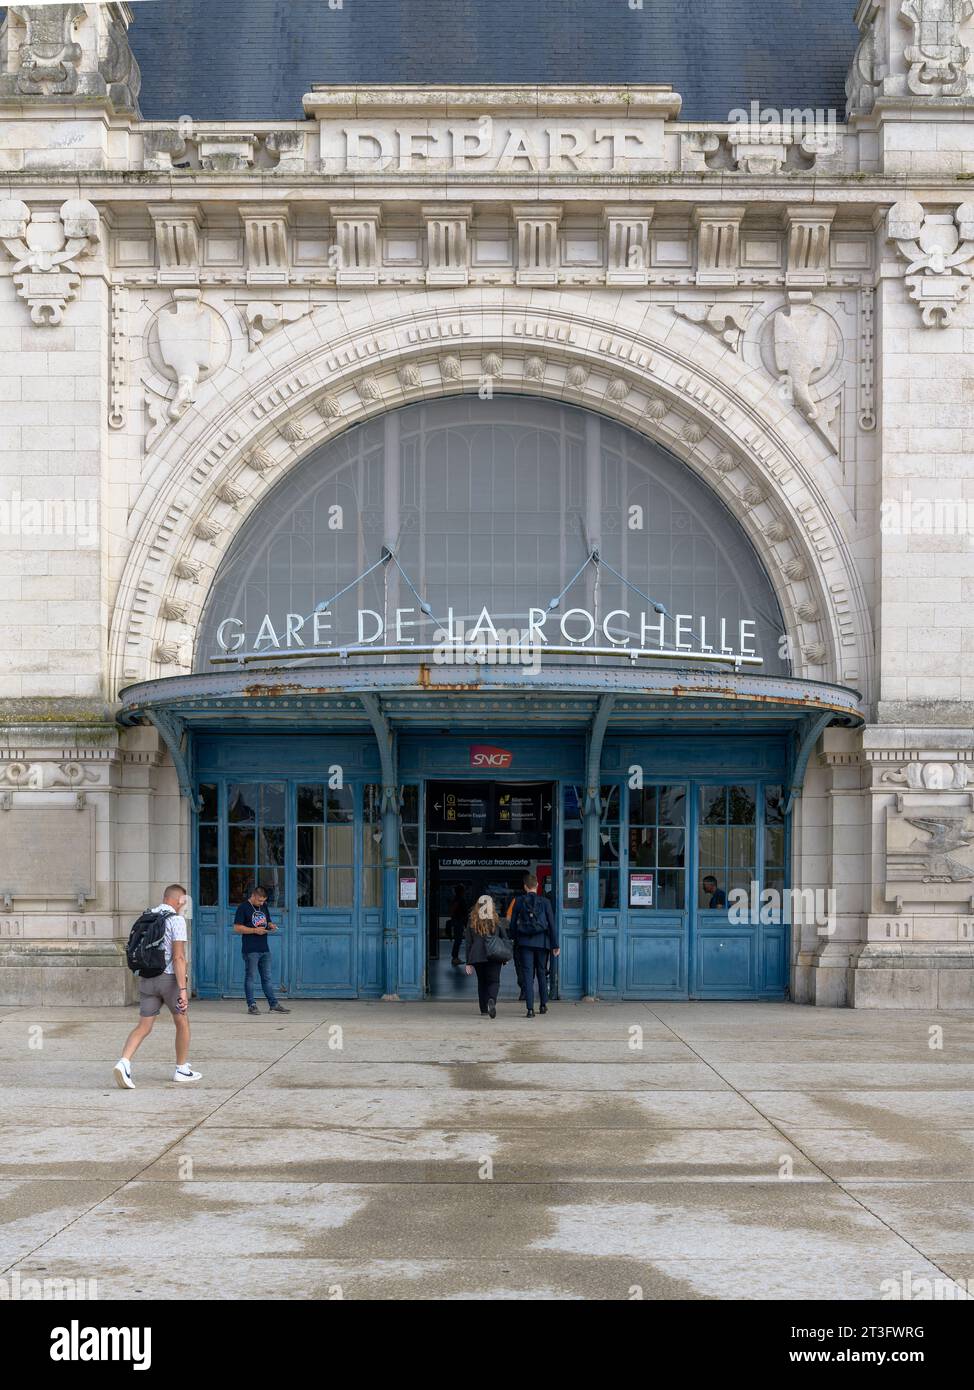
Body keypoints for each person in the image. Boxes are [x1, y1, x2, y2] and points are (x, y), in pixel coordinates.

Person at [113, 884, 201, 1088]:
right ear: (179, 900)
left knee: (144, 1026)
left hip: (147, 977)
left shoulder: (148, 915)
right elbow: (179, 957)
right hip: (169, 979)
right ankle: (181, 1069)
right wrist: (182, 990)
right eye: (183, 901)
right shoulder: (176, 920)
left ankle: (124, 1062)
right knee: (182, 1022)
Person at [234, 885, 291, 1016]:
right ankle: (252, 1005)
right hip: (250, 949)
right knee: (250, 977)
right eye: (259, 900)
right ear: (253, 896)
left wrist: (271, 925)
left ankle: (273, 1004)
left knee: (267, 978)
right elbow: (237, 928)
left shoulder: (263, 907)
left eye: (263, 901)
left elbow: (267, 921)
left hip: (264, 948)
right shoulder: (243, 908)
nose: (261, 903)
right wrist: (254, 930)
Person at [510, 873, 559, 1018]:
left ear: (525, 886)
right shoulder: (545, 902)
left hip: (525, 943)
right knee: (542, 972)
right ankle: (543, 1004)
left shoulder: (518, 901)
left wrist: (515, 939)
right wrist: (555, 944)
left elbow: (513, 924)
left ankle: (530, 1009)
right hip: (542, 942)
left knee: (527, 974)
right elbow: (551, 924)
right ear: (537, 885)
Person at [463, 894, 511, 1019]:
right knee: (494, 981)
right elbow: (505, 939)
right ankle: (492, 1000)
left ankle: (483, 1009)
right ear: (491, 906)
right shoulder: (496, 920)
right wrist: (504, 956)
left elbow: (468, 942)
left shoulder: (472, 920)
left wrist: (468, 962)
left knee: (482, 982)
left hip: (477, 955)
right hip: (494, 955)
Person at [448, 882, 469, 966]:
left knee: (458, 940)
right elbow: (463, 912)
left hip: (457, 921)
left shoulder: (456, 899)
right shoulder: (460, 899)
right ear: (461, 891)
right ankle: (455, 958)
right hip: (458, 922)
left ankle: (455, 957)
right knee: (458, 940)